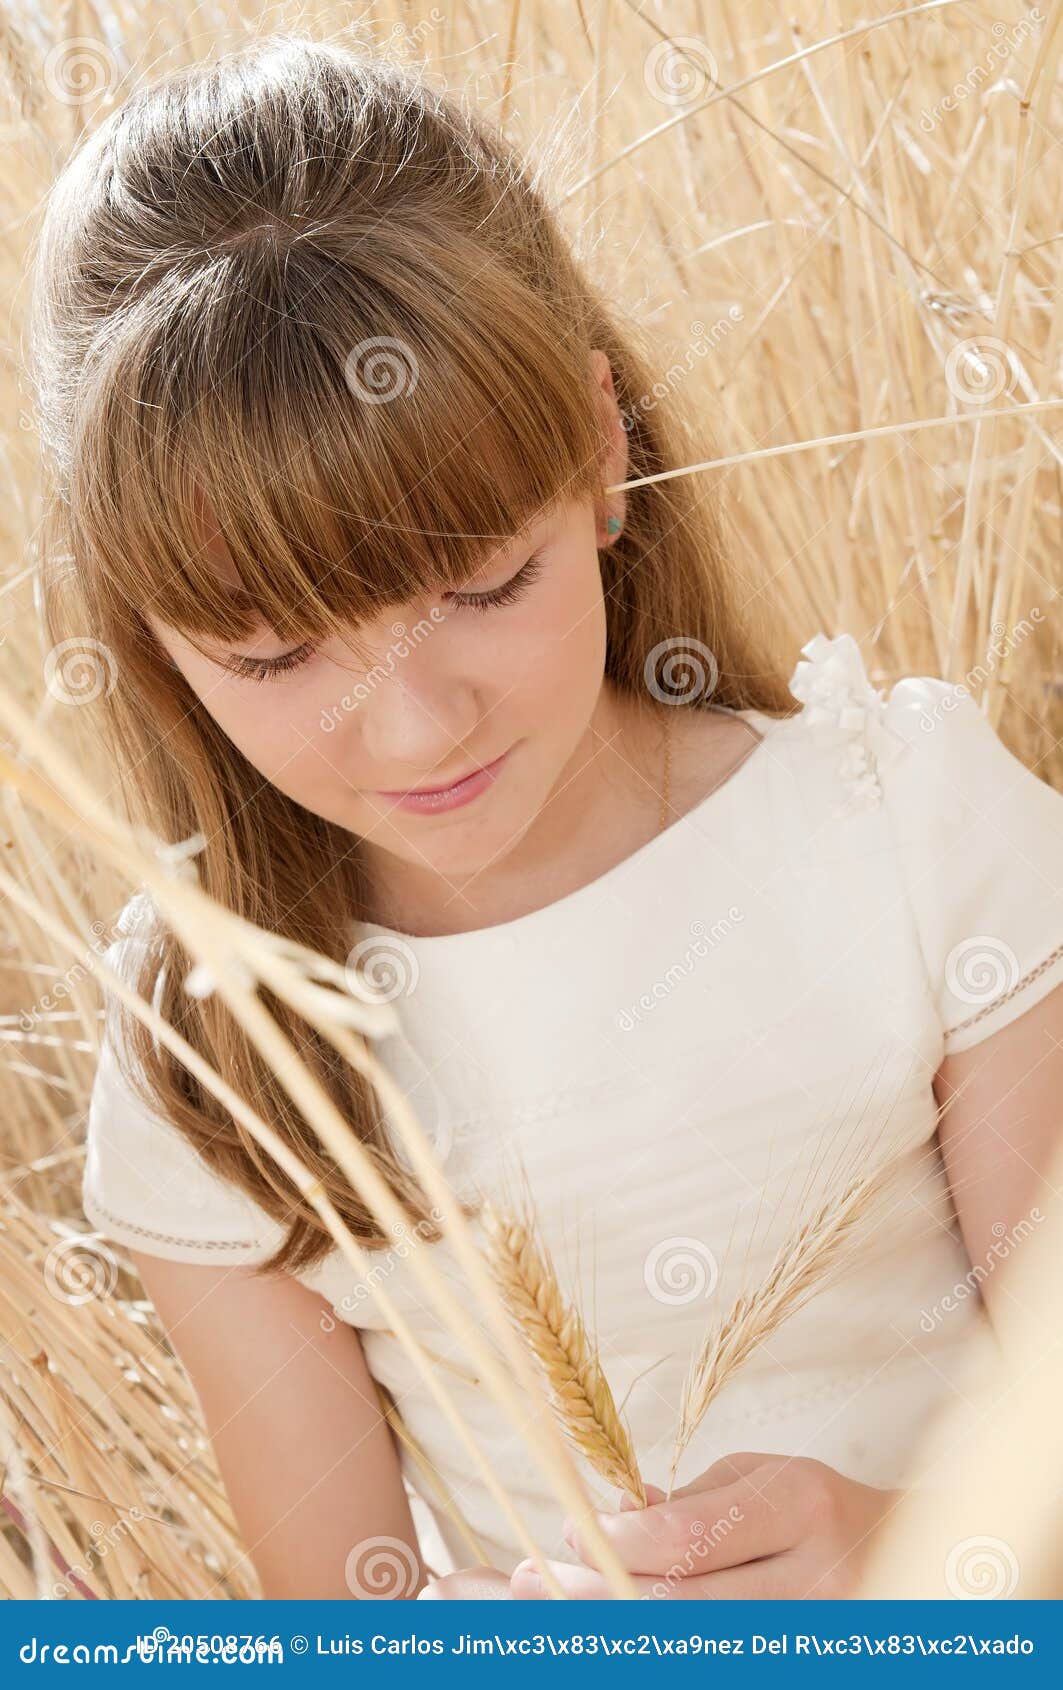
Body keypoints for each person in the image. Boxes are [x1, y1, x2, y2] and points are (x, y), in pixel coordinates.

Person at [28, 35, 1063, 1601]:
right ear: (153, 638)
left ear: (599, 449)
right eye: (272, 653)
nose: (416, 727)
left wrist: (917, 1559)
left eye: (482, 586)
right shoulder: (206, 1036)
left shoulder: (909, 831)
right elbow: (349, 1619)